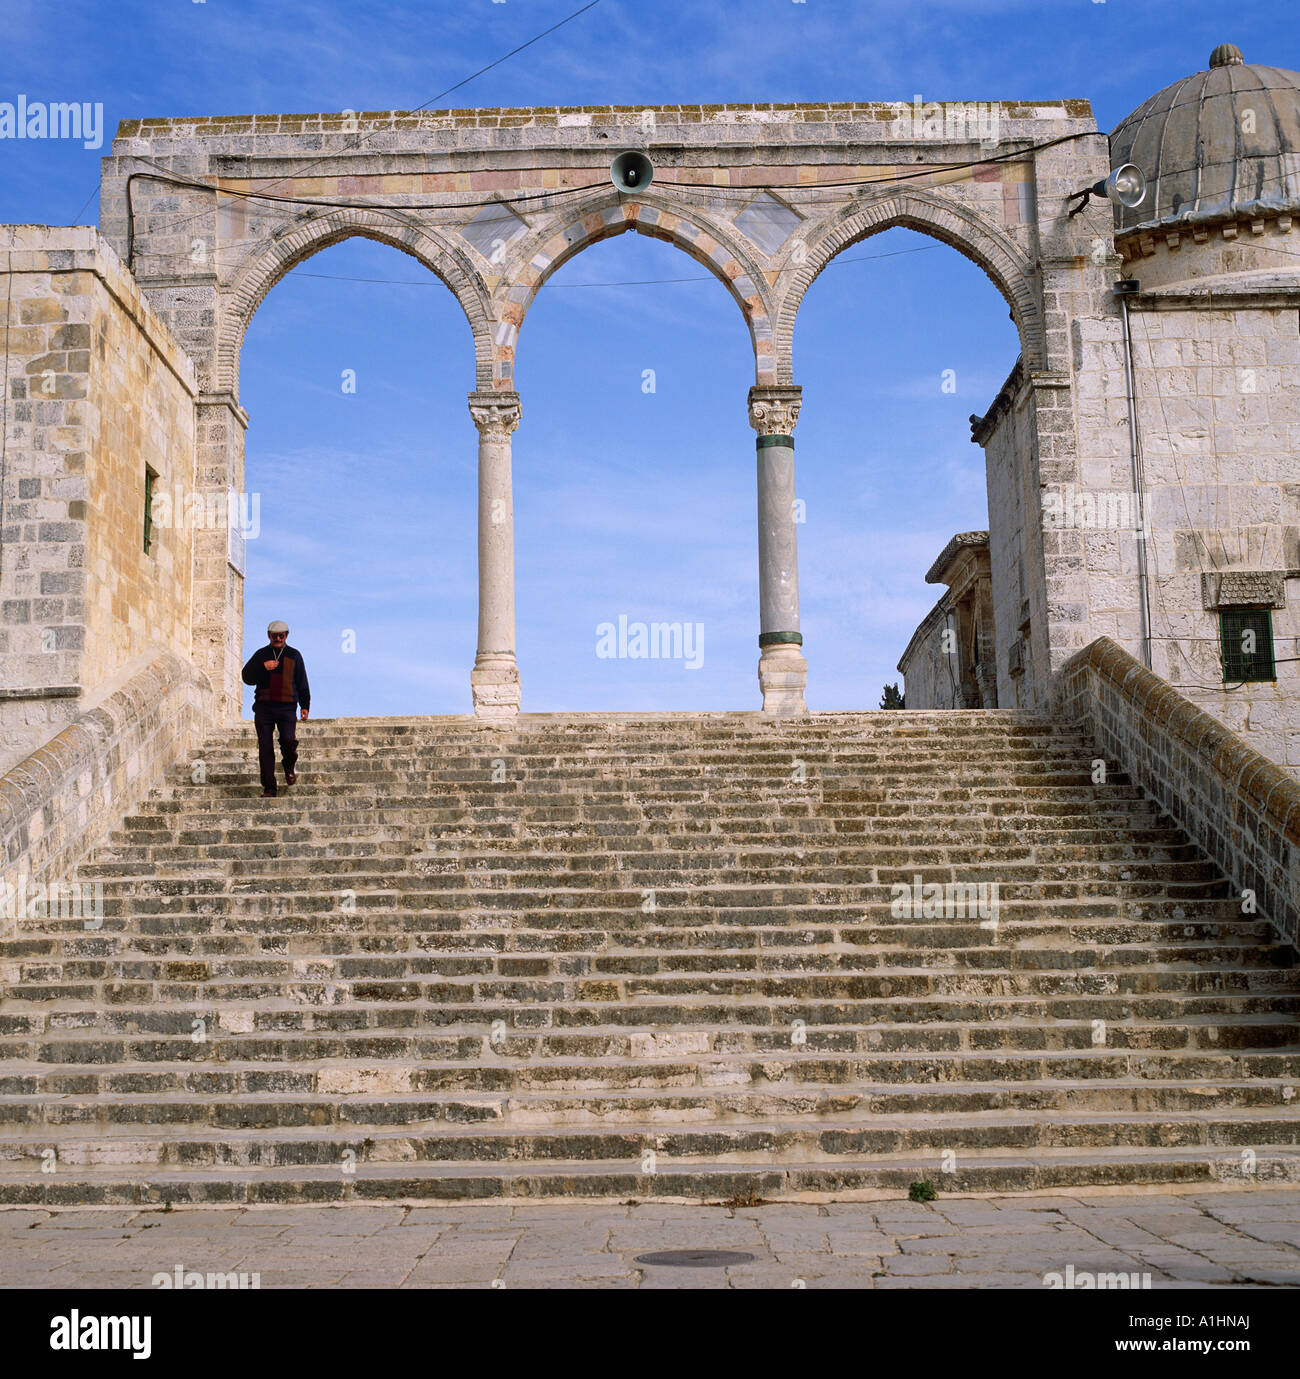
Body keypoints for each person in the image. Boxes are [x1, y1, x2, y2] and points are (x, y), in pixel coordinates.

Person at [241, 620, 310, 798]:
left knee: (288, 741)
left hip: (287, 708)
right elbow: (246, 677)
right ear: (269, 636)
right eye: (274, 636)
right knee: (265, 747)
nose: (278, 638)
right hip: (264, 708)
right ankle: (269, 788)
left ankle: (288, 766)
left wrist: (305, 705)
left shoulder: (294, 655)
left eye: (281, 635)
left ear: (287, 635)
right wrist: (263, 667)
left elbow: (302, 681)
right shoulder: (261, 654)